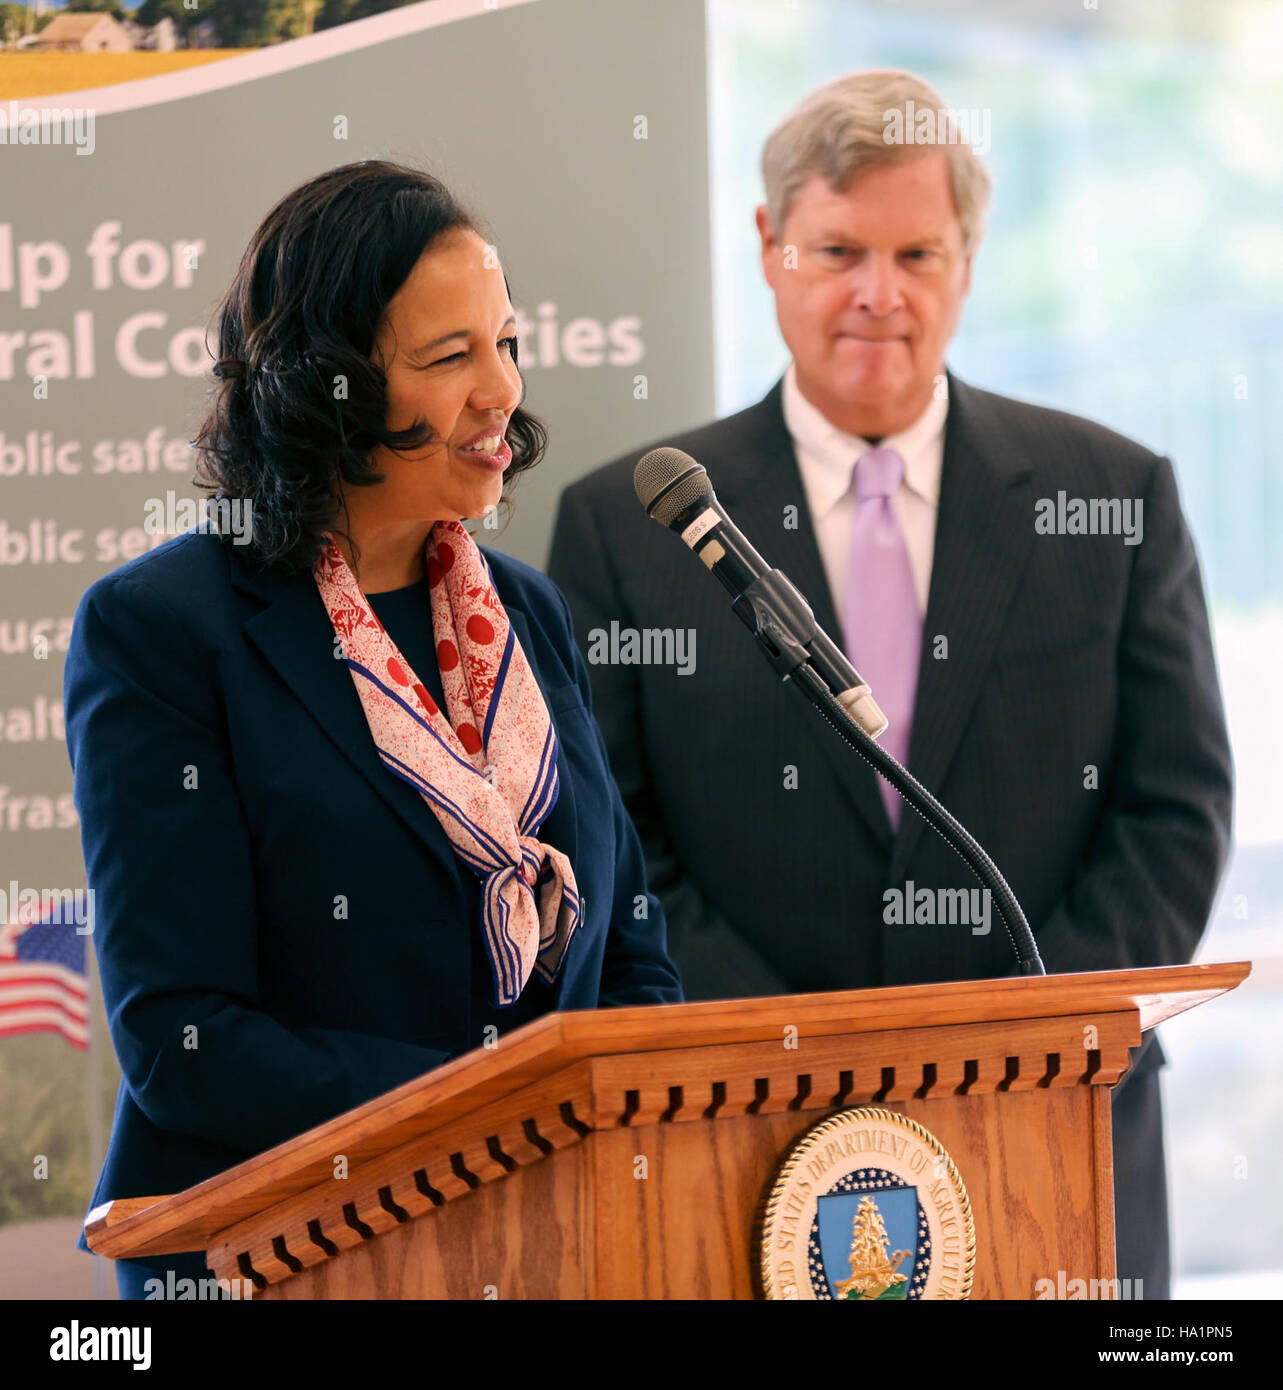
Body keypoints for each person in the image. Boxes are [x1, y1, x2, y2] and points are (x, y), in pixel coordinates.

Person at [548, 70, 1233, 1299]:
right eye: (837, 249)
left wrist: (1007, 1047)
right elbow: (614, 847)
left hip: (1055, 1138)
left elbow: (1172, 813)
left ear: (968, 255)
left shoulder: (1113, 496)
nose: (878, 293)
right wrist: (800, 1062)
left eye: (917, 251)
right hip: (735, 1144)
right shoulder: (628, 523)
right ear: (767, 248)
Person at [64, 160, 682, 1300]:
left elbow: (630, 950)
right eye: (450, 358)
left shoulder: (529, 612)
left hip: (557, 1244)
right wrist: (504, 1116)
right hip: (282, 1255)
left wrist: (612, 1127)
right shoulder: (163, 631)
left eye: (506, 341)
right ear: (328, 392)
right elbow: (183, 1038)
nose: (500, 389)